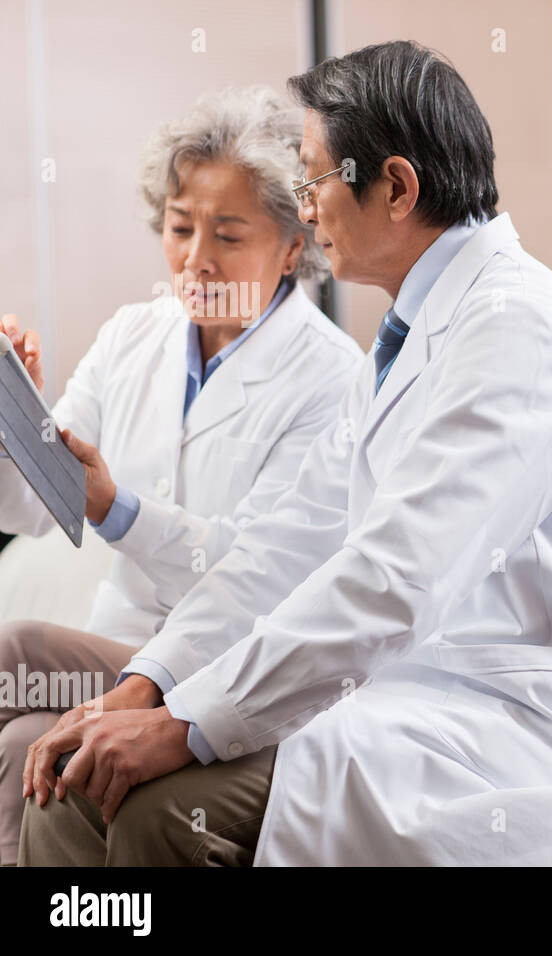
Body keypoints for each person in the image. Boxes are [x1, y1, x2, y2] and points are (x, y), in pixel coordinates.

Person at [19, 40, 552, 867]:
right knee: (72, 792)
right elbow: (284, 549)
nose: (304, 210)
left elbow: (391, 582)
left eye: (311, 181)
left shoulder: (517, 330)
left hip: (515, 720)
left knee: (160, 809)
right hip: (407, 699)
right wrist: (150, 686)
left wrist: (189, 724)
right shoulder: (406, 337)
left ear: (398, 188)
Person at [0, 86, 361, 866]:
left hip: (236, 664)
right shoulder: (135, 334)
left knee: (14, 654)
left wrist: (120, 510)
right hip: (125, 642)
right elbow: (33, 507)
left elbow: (261, 566)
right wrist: (10, 419)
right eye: (178, 227)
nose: (196, 259)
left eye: (228, 234)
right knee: (28, 737)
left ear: (295, 246)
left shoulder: (333, 379)